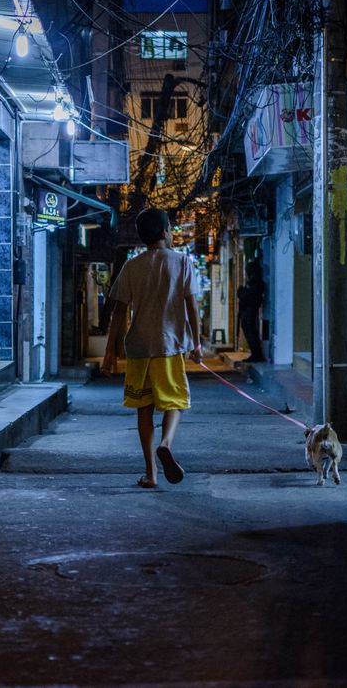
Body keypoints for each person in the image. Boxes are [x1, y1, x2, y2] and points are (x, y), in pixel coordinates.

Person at [101, 209, 202, 488]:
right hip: (169, 346)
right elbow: (191, 305)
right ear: (164, 232)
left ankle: (151, 474)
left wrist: (110, 352)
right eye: (169, 228)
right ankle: (166, 443)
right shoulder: (182, 263)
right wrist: (197, 342)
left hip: (138, 349)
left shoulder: (131, 267)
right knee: (176, 402)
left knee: (143, 410)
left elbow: (119, 312)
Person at [237, 260, 266, 362]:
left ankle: (256, 354)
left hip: (250, 311)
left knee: (250, 331)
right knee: (248, 330)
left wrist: (242, 292)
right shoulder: (253, 282)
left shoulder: (255, 282)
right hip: (247, 310)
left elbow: (251, 296)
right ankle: (255, 353)